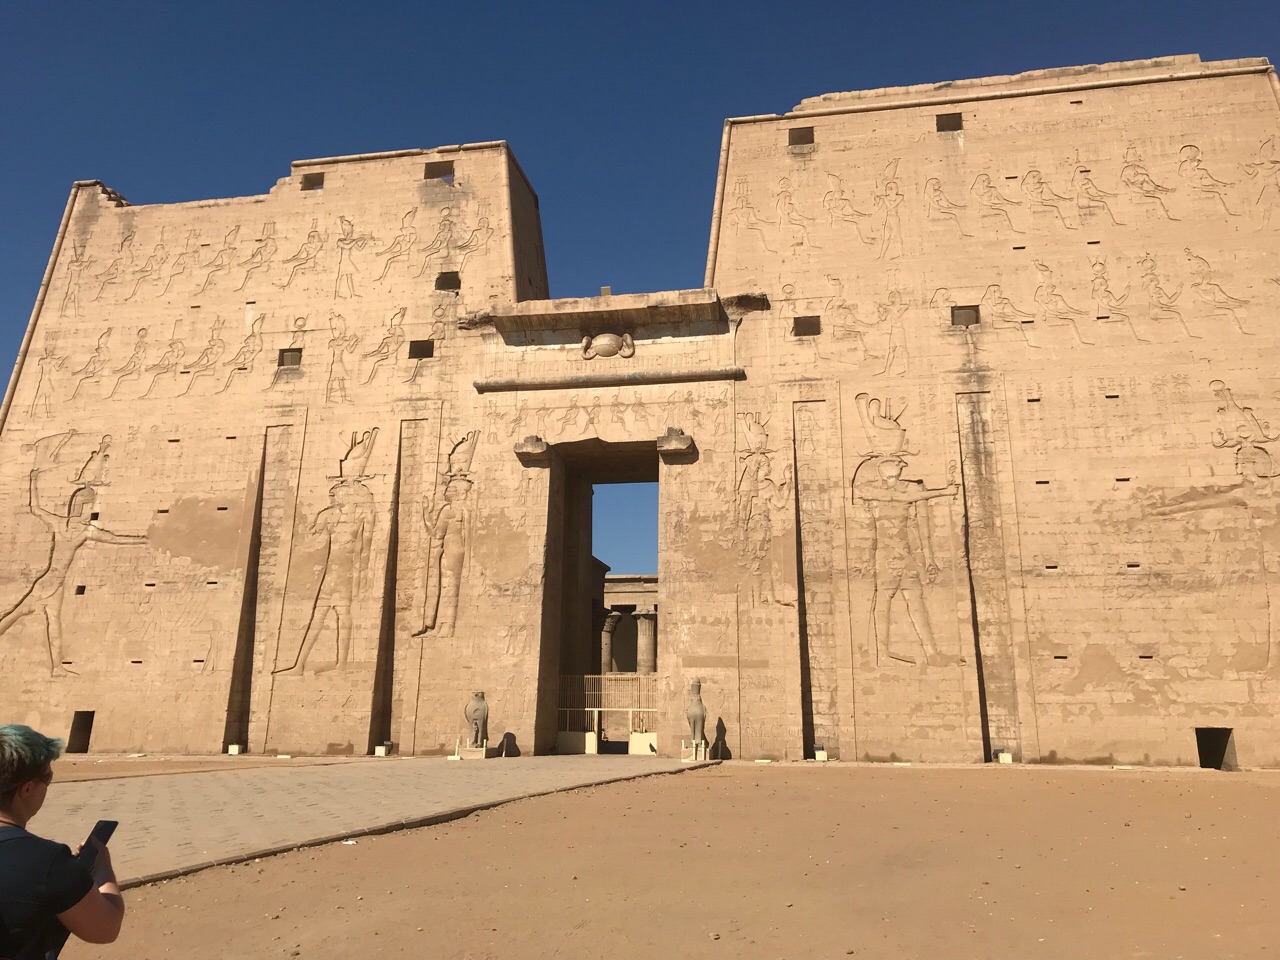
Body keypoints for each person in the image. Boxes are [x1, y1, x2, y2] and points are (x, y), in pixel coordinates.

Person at [0, 725, 124, 955]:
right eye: (47, 777)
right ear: (27, 789)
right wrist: (103, 870)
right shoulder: (46, 862)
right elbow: (106, 927)